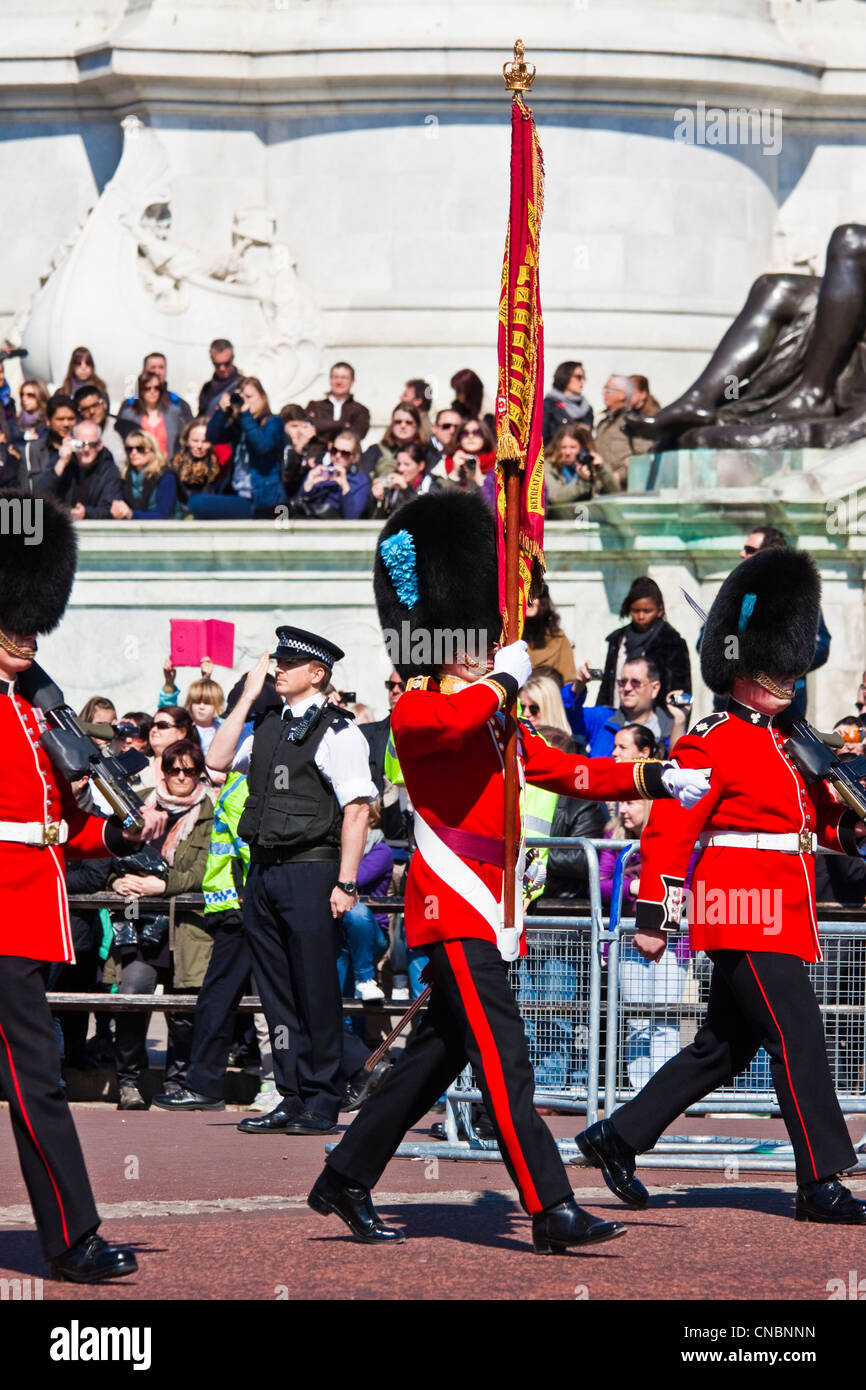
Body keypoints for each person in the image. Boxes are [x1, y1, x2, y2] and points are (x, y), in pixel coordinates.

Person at [307, 489, 711, 1252]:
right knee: (505, 1054)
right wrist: (503, 678)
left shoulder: (489, 706)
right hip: (452, 900)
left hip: (494, 901)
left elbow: (565, 771)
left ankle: (345, 1176)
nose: (485, 638)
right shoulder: (422, 704)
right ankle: (550, 1206)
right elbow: (455, 725)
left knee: (439, 1053)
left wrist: (655, 778)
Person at [576, 546, 866, 1225]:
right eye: (777, 669)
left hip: (781, 906)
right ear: (745, 670)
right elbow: (672, 831)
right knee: (797, 1034)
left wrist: (850, 821)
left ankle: (615, 1137)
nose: (789, 679)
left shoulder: (786, 741)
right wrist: (654, 913)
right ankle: (821, 1179)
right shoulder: (710, 739)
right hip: (741, 907)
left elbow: (812, 822)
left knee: (722, 1047)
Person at [0, 493, 163, 1281]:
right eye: (15, 616)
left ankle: (69, 1236)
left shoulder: (36, 716)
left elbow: (62, 825)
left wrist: (121, 834)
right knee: (36, 1085)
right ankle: (70, 1238)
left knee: (37, 1081)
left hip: (30, 915)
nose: (28, 631)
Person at [204, 626, 378, 1134]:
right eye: (275, 662)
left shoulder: (339, 731)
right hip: (262, 871)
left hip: (311, 869)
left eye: (287, 664)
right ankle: (292, 1092)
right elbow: (216, 762)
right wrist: (246, 699)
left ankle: (323, 1096)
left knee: (315, 989)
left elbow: (357, 810)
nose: (276, 669)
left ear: (316, 673)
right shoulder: (266, 725)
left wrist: (346, 884)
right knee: (277, 992)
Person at [110, 739, 214, 1108]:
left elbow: (206, 870)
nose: (182, 777)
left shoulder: (211, 812)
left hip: (188, 929)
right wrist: (115, 882)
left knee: (184, 1012)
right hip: (140, 924)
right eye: (174, 770)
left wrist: (163, 885)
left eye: (189, 770)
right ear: (163, 771)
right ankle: (129, 1083)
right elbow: (109, 854)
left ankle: (177, 1085)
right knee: (132, 998)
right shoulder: (138, 803)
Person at [191, 376, 285, 519]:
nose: (245, 401)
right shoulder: (240, 425)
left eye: (249, 396)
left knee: (198, 503)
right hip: (239, 496)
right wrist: (223, 412)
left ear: (262, 397)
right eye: (242, 397)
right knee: (196, 504)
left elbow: (262, 445)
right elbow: (212, 436)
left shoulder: (273, 422)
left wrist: (246, 415)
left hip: (263, 501)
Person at [596, 576, 692, 707]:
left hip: (659, 721)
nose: (641, 616)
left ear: (659, 610)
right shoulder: (618, 640)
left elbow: (682, 691)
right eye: (636, 611)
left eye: (647, 611)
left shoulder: (672, 643)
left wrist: (676, 722)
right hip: (616, 716)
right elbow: (607, 684)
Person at [567, 654, 686, 757]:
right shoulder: (601, 718)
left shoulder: (670, 728)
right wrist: (576, 687)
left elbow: (680, 765)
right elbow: (564, 713)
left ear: (654, 688)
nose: (627, 688)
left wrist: (680, 720)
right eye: (622, 682)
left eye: (636, 683)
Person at [33, 418, 124, 520]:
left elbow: (110, 509)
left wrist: (86, 512)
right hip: (62, 525)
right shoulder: (61, 461)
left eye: (92, 445)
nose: (86, 449)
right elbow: (38, 496)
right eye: (81, 444)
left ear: (100, 445)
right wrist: (62, 462)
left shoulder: (109, 469)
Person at [291, 430, 371, 519]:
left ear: (355, 458)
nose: (338, 455)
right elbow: (298, 504)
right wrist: (308, 485)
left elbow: (352, 517)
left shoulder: (361, 481)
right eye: (334, 450)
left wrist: (344, 486)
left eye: (345, 453)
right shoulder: (317, 472)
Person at [111, 432, 179, 520]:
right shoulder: (125, 476)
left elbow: (163, 515)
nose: (134, 453)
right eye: (129, 449)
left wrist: (131, 514)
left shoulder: (166, 476)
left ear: (152, 451)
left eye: (140, 449)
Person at [306, 361, 371, 448]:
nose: (339, 381)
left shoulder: (360, 410)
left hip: (344, 457)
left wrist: (322, 428)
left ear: (352, 381)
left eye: (344, 378)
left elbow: (356, 436)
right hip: (315, 457)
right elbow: (307, 430)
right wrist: (343, 424)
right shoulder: (315, 406)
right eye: (335, 377)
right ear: (330, 380)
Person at [523, 584, 577, 685]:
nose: (529, 601)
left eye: (534, 596)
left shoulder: (558, 638)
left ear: (543, 601)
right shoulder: (505, 637)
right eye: (524, 596)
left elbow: (568, 682)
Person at [360, 403, 428, 478]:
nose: (403, 426)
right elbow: (363, 479)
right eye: (398, 422)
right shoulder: (375, 450)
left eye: (408, 422)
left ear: (417, 426)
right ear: (392, 424)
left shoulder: (427, 451)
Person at [171, 416, 223, 508]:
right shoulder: (174, 465)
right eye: (195, 441)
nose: (199, 446)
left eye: (205, 441)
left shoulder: (218, 466)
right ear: (186, 440)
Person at [370, 443, 434, 517]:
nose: (400, 469)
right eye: (399, 464)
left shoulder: (432, 486)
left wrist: (406, 490)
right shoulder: (393, 486)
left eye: (407, 464)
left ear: (421, 466)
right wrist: (380, 498)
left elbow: (426, 514)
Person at [72, 385, 126, 465]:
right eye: (85, 409)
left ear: (104, 404)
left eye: (95, 405)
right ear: (80, 413)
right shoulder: (76, 435)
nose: (92, 411)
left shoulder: (124, 428)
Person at [542, 360, 594, 444]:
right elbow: (542, 438)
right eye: (578, 377)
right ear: (565, 376)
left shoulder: (587, 408)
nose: (582, 381)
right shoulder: (549, 405)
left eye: (584, 377)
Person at [198, 338, 242, 419]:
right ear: (212, 360)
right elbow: (201, 417)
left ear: (232, 358)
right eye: (217, 365)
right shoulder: (206, 389)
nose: (222, 368)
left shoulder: (243, 385)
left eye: (226, 363)